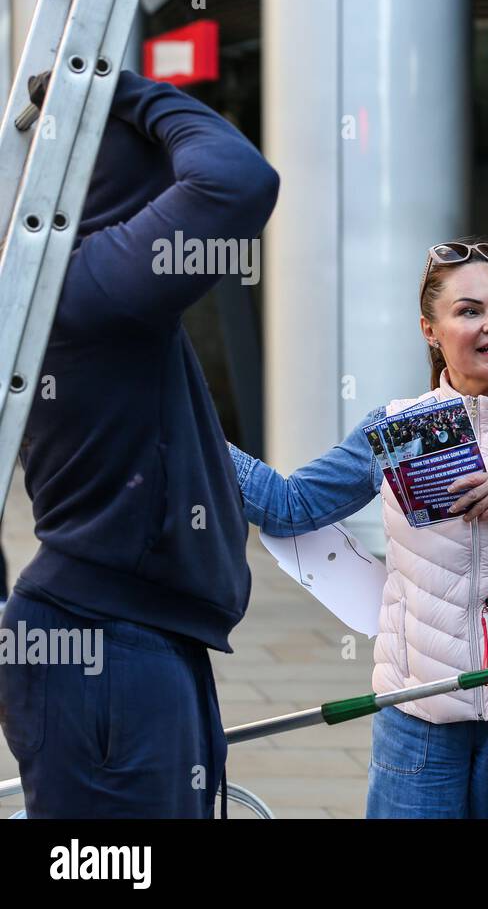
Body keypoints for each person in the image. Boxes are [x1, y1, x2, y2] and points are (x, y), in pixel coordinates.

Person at [228, 240, 488, 818]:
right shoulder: (398, 427)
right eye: (470, 311)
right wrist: (191, 426)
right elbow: (291, 506)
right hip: (418, 716)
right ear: (430, 329)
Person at [0, 71, 280, 817]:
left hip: (119, 640)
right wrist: (119, 90)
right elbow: (237, 180)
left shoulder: (77, 294)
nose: (172, 196)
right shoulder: (92, 289)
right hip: (104, 649)